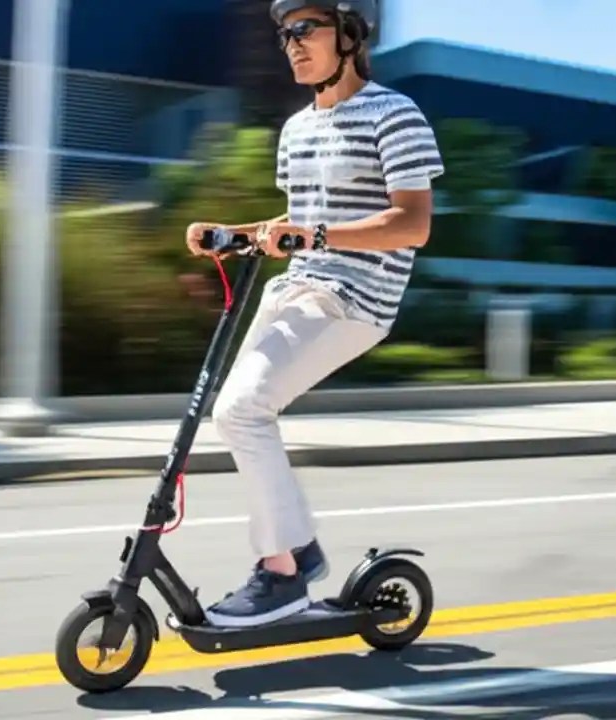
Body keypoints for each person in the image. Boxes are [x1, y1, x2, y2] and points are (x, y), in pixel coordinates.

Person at [184, 0, 444, 628]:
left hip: (356, 297)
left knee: (241, 410)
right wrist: (233, 232)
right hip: (297, 289)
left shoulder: (395, 114)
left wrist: (313, 239)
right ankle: (296, 549)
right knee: (236, 414)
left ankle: (283, 576)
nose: (291, 43)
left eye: (306, 29)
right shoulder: (297, 128)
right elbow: (295, 224)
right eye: (284, 34)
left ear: (349, 35)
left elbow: (413, 223)